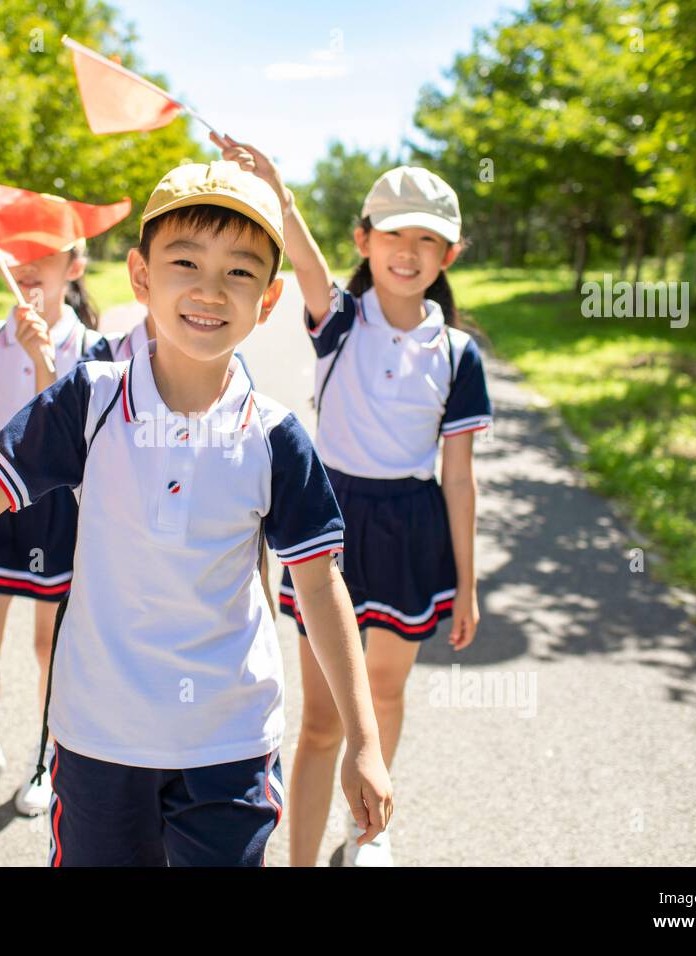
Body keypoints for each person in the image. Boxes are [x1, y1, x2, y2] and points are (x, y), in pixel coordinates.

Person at [0, 160, 392, 866]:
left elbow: (319, 585)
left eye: (240, 272)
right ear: (141, 276)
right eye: (185, 261)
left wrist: (364, 743)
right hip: (100, 737)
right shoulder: (88, 400)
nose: (210, 290)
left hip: (231, 742)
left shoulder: (275, 436)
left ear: (270, 298)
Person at [217, 135, 493, 866]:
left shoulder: (459, 354)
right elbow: (304, 258)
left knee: (385, 694)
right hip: (329, 529)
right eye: (395, 233)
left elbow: (458, 477)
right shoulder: (339, 321)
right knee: (322, 721)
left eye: (428, 239)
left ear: (449, 255)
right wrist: (276, 185)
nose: (410, 250)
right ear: (364, 240)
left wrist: (467, 582)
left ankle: (369, 828)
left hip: (412, 528)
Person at [0, 190, 128, 831]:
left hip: (63, 514)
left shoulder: (101, 352)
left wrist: (47, 359)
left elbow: (76, 442)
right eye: (13, 249)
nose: (25, 263)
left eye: (42, 252)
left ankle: (47, 758)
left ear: (74, 264)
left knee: (52, 645)